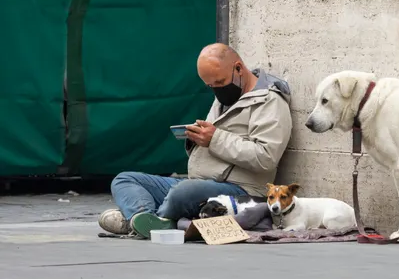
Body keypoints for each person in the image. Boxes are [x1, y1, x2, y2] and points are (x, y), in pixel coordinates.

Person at [97, 43, 292, 239]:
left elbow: (266, 157)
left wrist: (214, 138)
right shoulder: (226, 95)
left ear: (239, 68)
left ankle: (148, 220)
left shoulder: (269, 101)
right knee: (125, 179)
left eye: (219, 82)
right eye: (210, 86)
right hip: (201, 182)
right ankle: (142, 217)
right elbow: (213, 144)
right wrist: (196, 139)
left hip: (239, 189)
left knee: (183, 192)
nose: (217, 90)